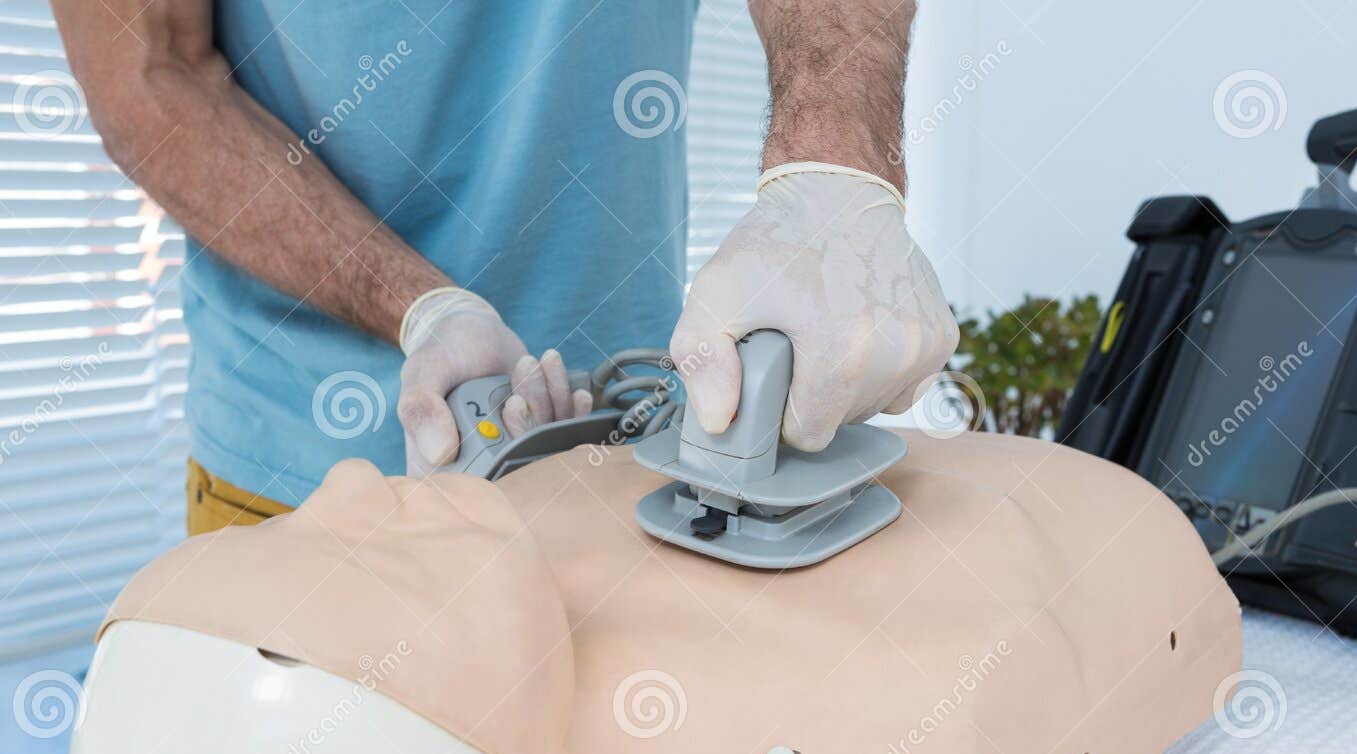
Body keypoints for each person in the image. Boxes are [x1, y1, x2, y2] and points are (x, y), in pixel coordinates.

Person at [54, 0, 957, 534]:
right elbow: (150, 75)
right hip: (308, 480)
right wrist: (421, 307)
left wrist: (835, 168)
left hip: (632, 464)